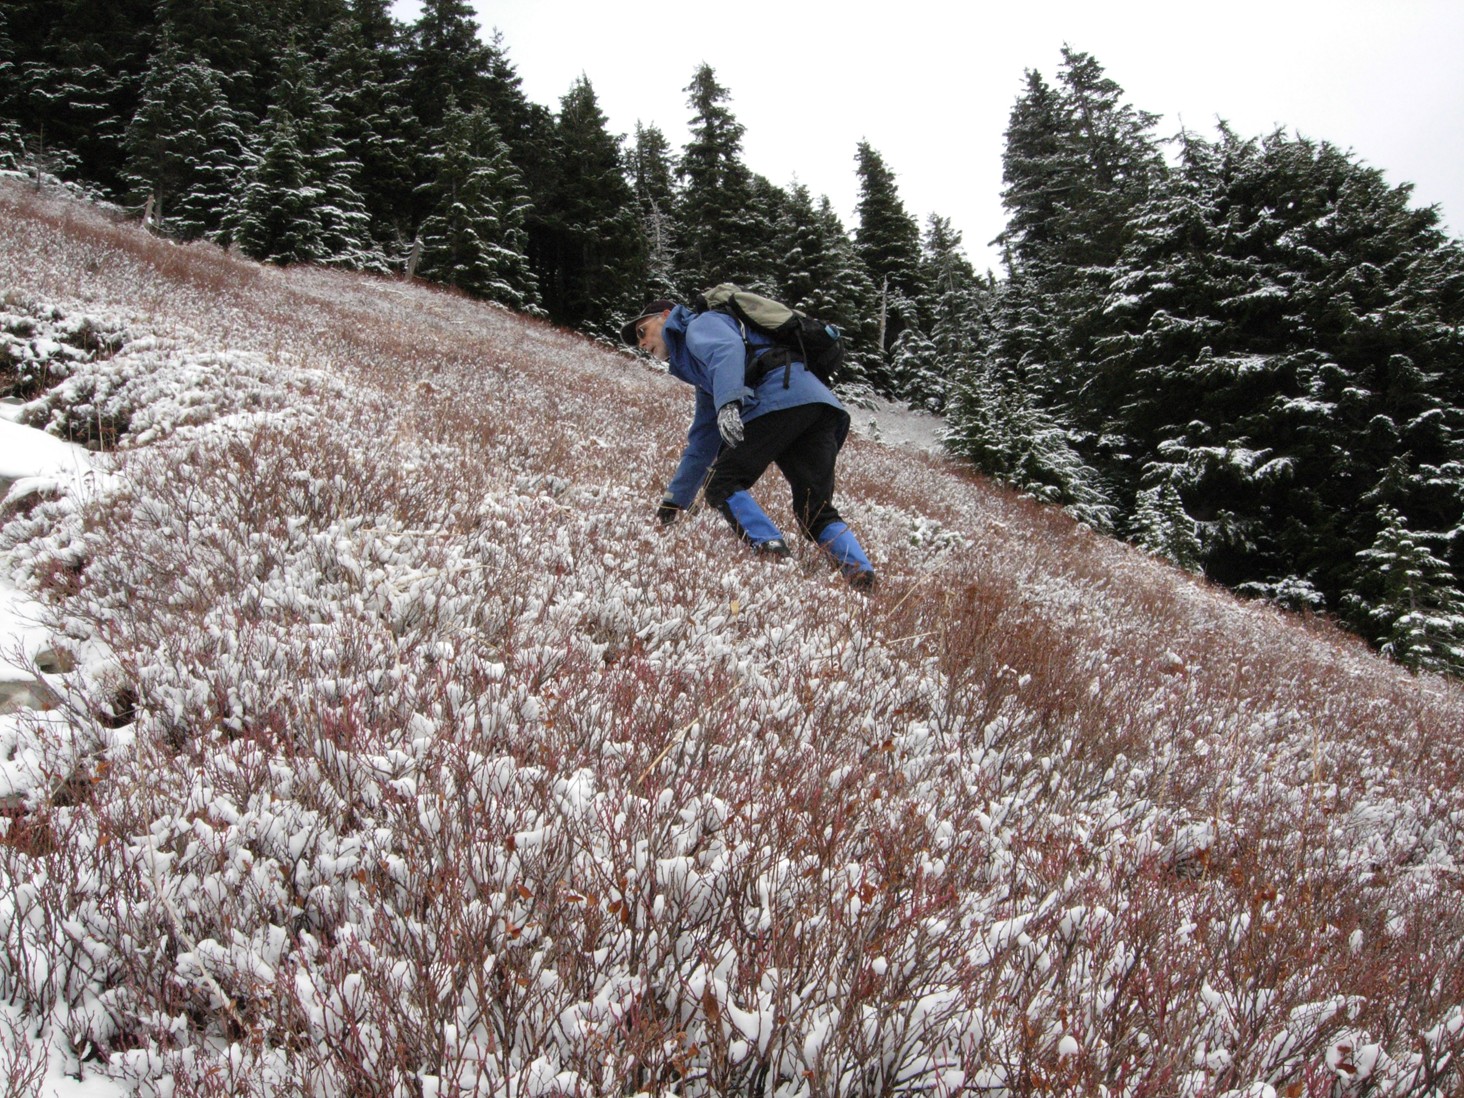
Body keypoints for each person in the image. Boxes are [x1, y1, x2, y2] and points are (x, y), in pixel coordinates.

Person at [621, 297, 876, 589]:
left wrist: (729, 403)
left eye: (642, 331)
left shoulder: (699, 325)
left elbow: (726, 350)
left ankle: (773, 555)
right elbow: (704, 437)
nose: (642, 344)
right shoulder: (705, 373)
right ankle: (861, 575)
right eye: (636, 342)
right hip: (818, 407)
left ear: (667, 316)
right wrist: (675, 501)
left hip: (782, 396)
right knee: (814, 510)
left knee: (722, 482)